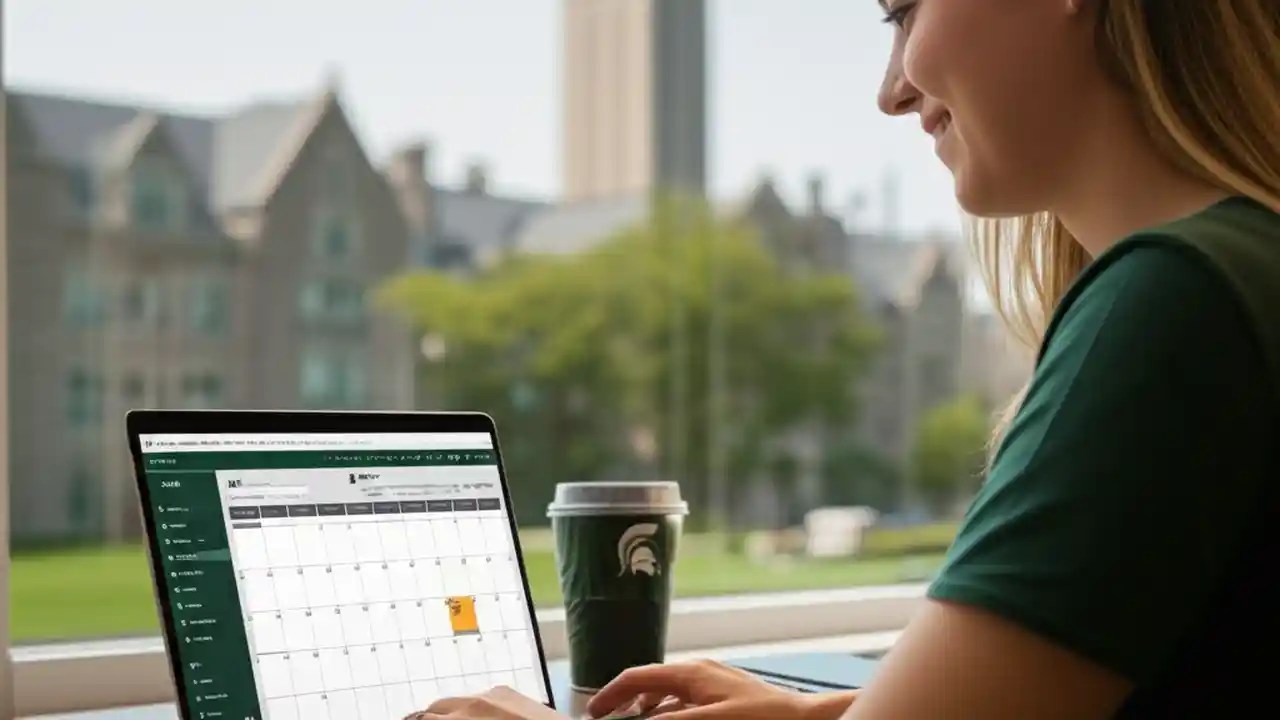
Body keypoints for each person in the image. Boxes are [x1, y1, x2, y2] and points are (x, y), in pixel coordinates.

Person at [408, 0, 1280, 717]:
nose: (892, 92)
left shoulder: (1170, 306)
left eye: (906, 12)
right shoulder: (1247, 266)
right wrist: (822, 715)